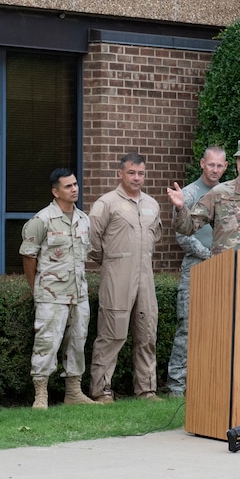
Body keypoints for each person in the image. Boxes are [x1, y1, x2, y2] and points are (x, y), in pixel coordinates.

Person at [87, 152, 163, 403]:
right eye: (131, 172)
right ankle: (101, 390)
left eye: (141, 173)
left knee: (146, 333)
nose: (137, 178)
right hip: (116, 276)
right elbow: (93, 242)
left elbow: (156, 237)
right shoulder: (105, 203)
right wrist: (112, 262)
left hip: (145, 277)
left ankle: (146, 389)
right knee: (112, 334)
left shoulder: (152, 204)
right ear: (120, 173)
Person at [19, 169, 97, 409]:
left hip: (78, 294)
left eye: (75, 184)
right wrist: (37, 290)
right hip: (51, 295)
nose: (74, 189)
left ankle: (73, 392)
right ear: (55, 191)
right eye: (68, 186)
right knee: (47, 343)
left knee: (77, 342)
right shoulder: (41, 220)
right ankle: (40, 395)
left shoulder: (84, 219)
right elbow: (28, 256)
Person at [164, 146, 228, 397]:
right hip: (196, 265)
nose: (215, 170)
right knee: (188, 325)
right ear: (202, 163)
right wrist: (208, 254)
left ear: (225, 167)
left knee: (220, 326)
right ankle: (177, 385)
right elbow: (182, 234)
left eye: (220, 166)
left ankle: (210, 382)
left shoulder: (227, 193)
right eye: (211, 164)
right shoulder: (188, 193)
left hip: (224, 268)